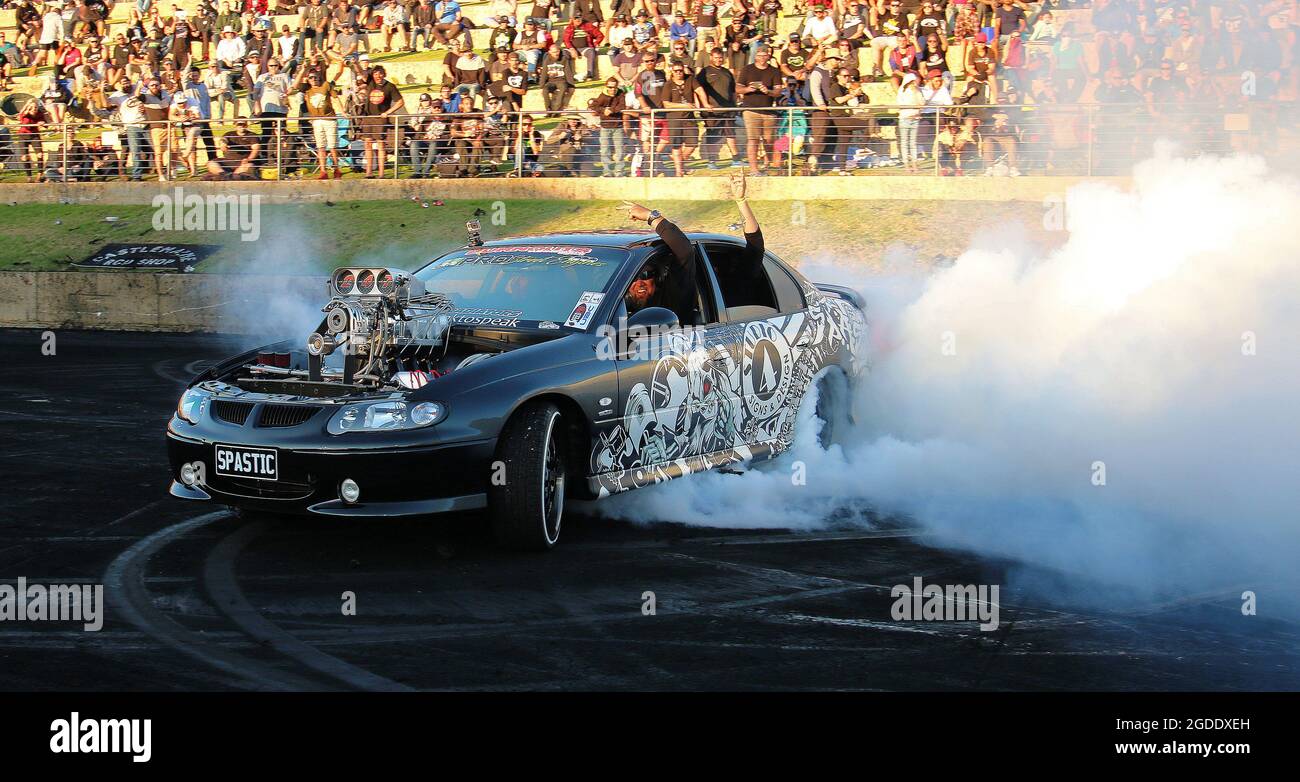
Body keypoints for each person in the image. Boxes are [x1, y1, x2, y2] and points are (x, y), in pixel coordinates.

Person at [618, 172, 764, 322]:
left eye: (645, 275)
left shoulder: (674, 298)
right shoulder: (616, 309)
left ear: (657, 278)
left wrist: (741, 201)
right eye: (634, 277)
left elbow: (755, 247)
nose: (639, 282)